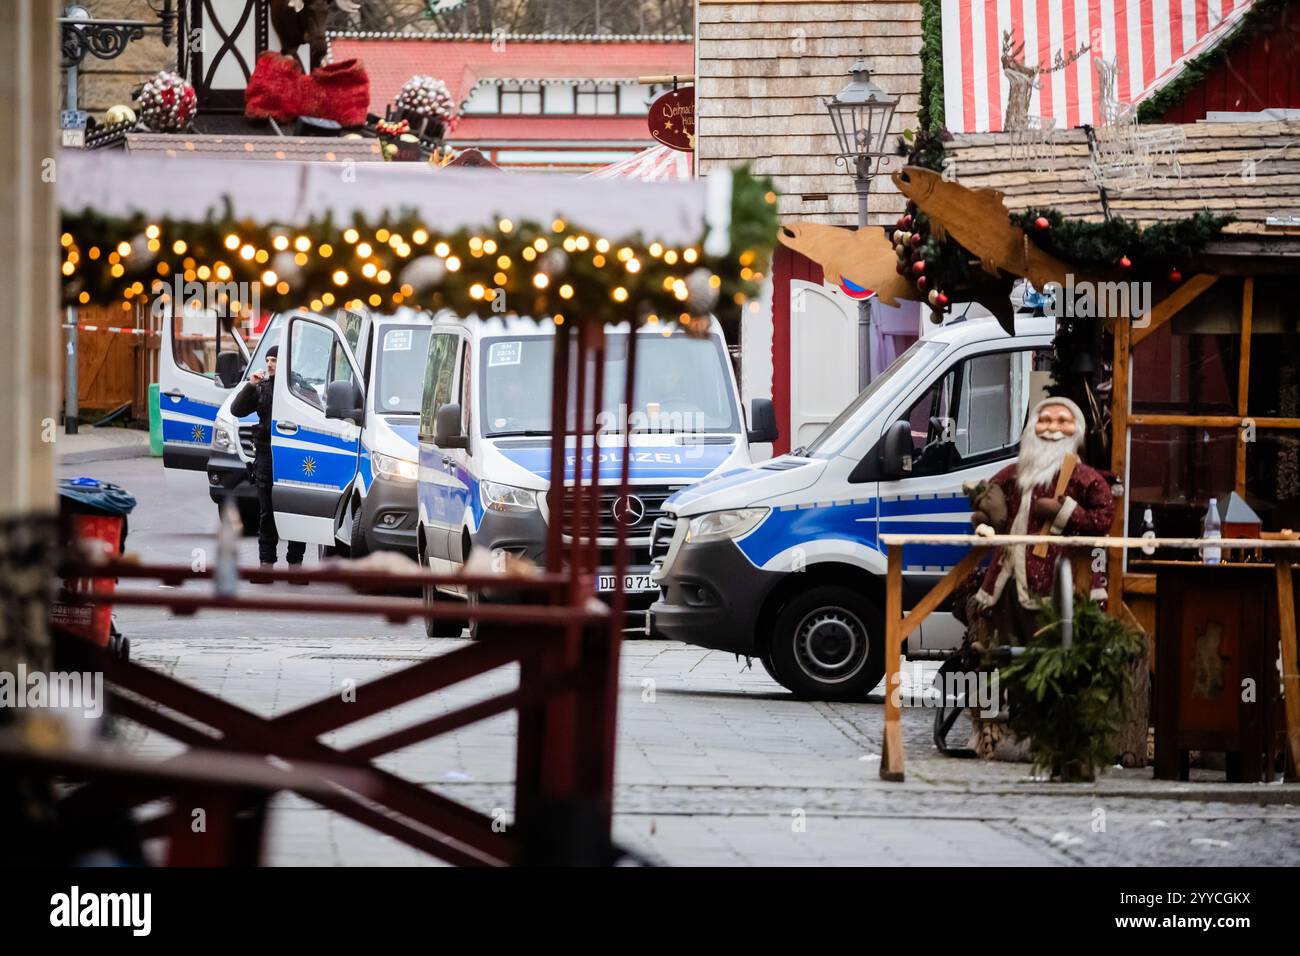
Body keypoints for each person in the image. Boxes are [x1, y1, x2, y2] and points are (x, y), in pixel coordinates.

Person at [230, 345, 308, 582]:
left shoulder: (300, 389)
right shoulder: (261, 387)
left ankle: (295, 565)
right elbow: (237, 410)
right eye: (268, 360)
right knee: (267, 511)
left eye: (275, 359)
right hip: (265, 453)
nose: (270, 364)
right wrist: (250, 384)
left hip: (292, 454)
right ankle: (266, 564)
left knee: (295, 508)